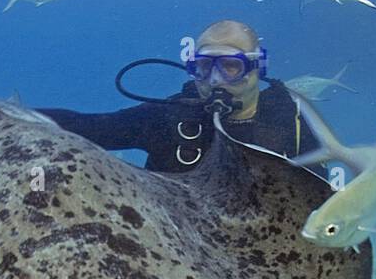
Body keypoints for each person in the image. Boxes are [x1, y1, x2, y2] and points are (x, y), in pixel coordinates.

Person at [37, 20, 315, 173]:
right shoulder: (167, 118)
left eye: (231, 66)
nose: (216, 80)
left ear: (258, 68)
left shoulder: (294, 124)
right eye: (204, 67)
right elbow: (89, 128)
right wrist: (8, 115)